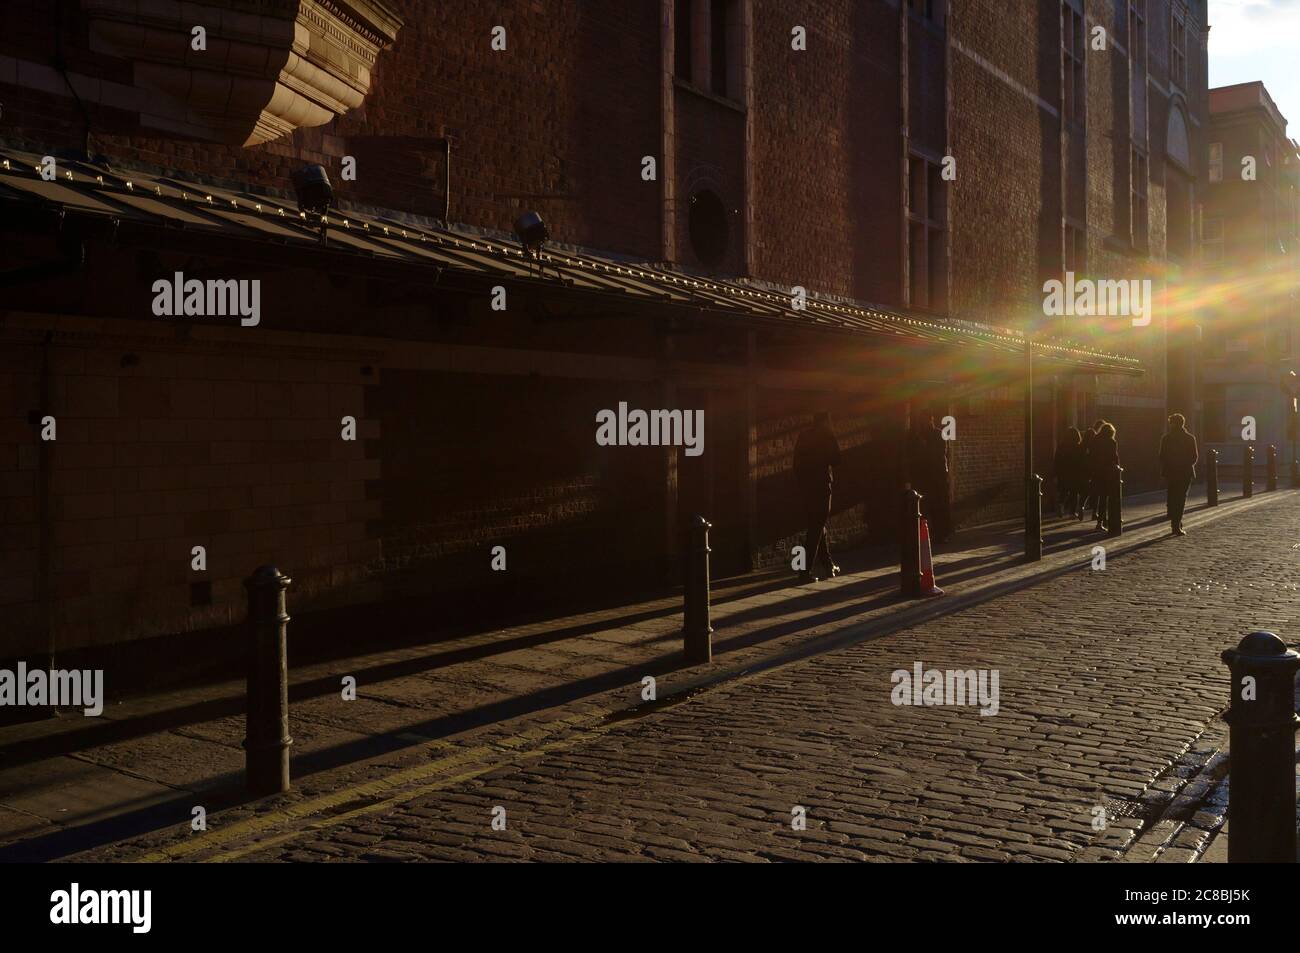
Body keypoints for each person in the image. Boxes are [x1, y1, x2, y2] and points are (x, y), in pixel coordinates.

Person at [793, 411, 842, 581]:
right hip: (821, 486)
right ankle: (804, 571)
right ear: (826, 421)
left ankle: (829, 566)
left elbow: (796, 463)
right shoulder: (827, 435)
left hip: (806, 488)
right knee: (816, 527)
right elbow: (837, 459)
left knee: (817, 524)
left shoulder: (804, 436)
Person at [1159, 413, 1198, 536]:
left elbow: (1162, 456)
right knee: (1181, 498)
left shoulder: (1166, 438)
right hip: (1185, 472)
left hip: (1171, 472)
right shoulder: (1190, 438)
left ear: (1173, 424)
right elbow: (1194, 457)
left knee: (1172, 496)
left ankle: (1174, 521)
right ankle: (1176, 524)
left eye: (1171, 422)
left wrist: (1170, 465)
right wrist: (1184, 465)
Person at [1091, 422, 1120, 532]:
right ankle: (1101, 521)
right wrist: (1117, 468)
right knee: (1104, 497)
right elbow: (1114, 457)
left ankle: (1099, 517)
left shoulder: (1095, 440)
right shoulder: (1111, 442)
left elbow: (1091, 454)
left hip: (1096, 472)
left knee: (1097, 494)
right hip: (1107, 473)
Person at [1053, 428, 1083, 519]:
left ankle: (1061, 505)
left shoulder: (1061, 446)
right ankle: (1072, 512)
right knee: (1074, 492)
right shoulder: (1078, 447)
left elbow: (1056, 460)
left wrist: (1056, 473)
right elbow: (1080, 461)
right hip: (1074, 472)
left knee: (1063, 490)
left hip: (1063, 472)